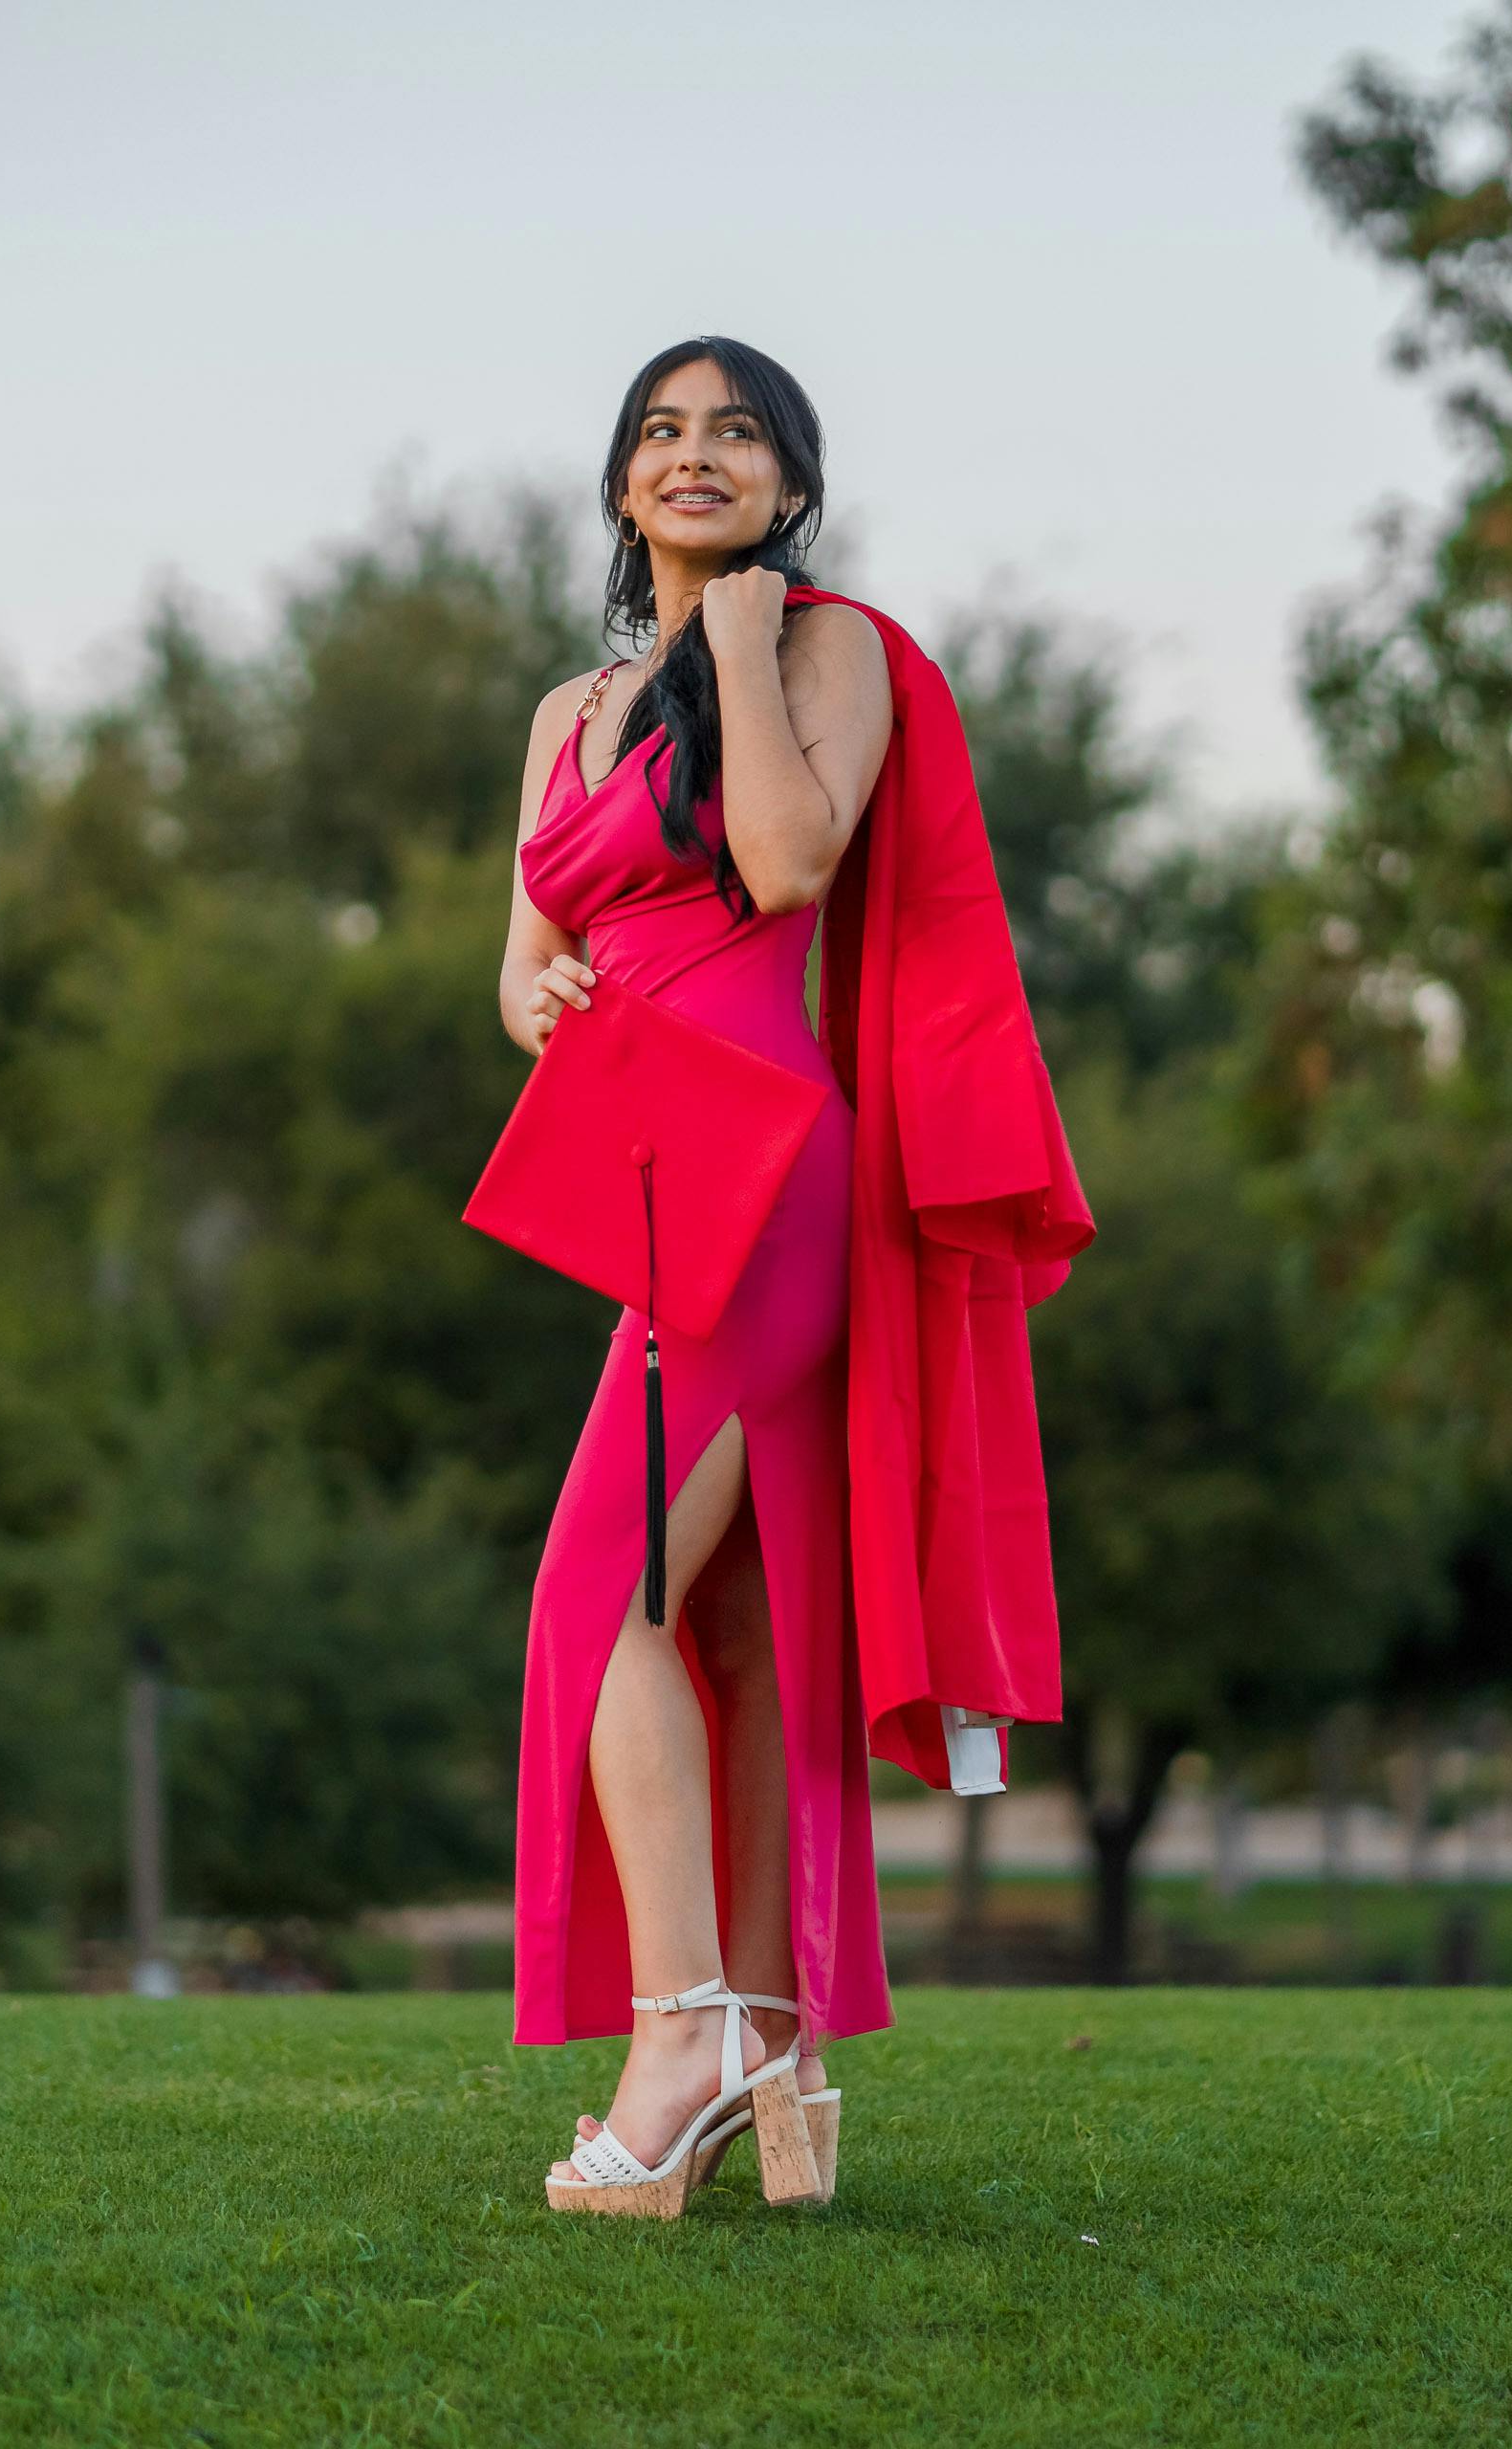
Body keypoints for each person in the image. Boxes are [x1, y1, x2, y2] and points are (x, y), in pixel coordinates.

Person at [500, 338, 885, 2215]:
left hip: (770, 1170)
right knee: (719, 1621)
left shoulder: (828, 653)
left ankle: (682, 2036)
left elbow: (795, 861)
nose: (696, 452)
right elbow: (523, 958)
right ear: (622, 479)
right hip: (640, 1173)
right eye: (663, 430)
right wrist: (545, 992)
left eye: (737, 430)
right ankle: (783, 2054)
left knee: (599, 1593)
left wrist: (735, 641)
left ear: (791, 483)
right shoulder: (569, 707)